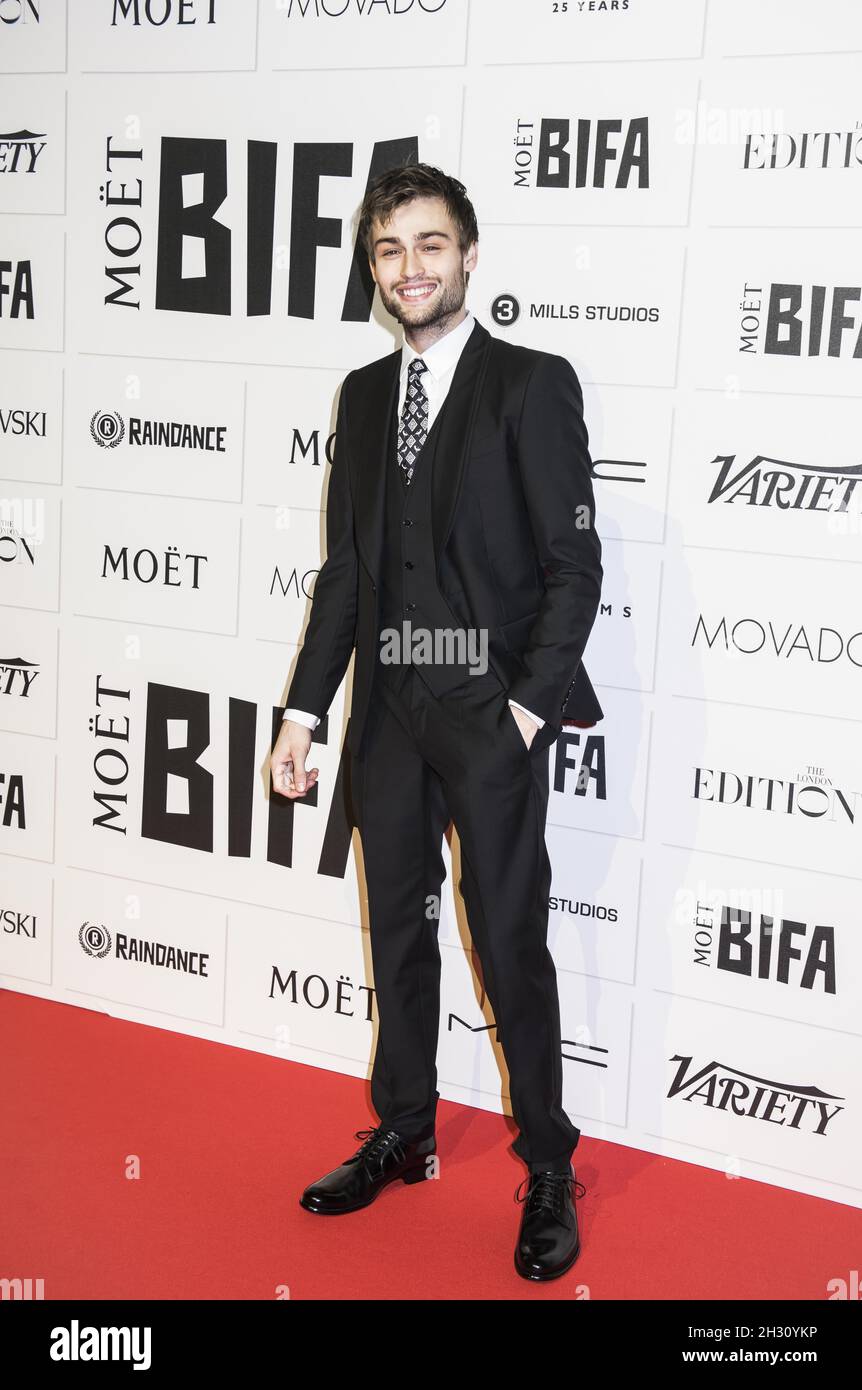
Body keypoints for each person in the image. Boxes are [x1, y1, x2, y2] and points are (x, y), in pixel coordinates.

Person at [269, 162, 603, 1282]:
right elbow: (350, 570)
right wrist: (306, 710)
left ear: (469, 253)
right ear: (373, 269)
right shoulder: (363, 399)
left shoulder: (530, 382)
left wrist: (522, 711)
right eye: (388, 250)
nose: (410, 267)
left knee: (508, 942)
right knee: (400, 937)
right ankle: (405, 1127)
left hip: (488, 716)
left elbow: (574, 564)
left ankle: (549, 1160)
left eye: (429, 244)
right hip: (389, 721)